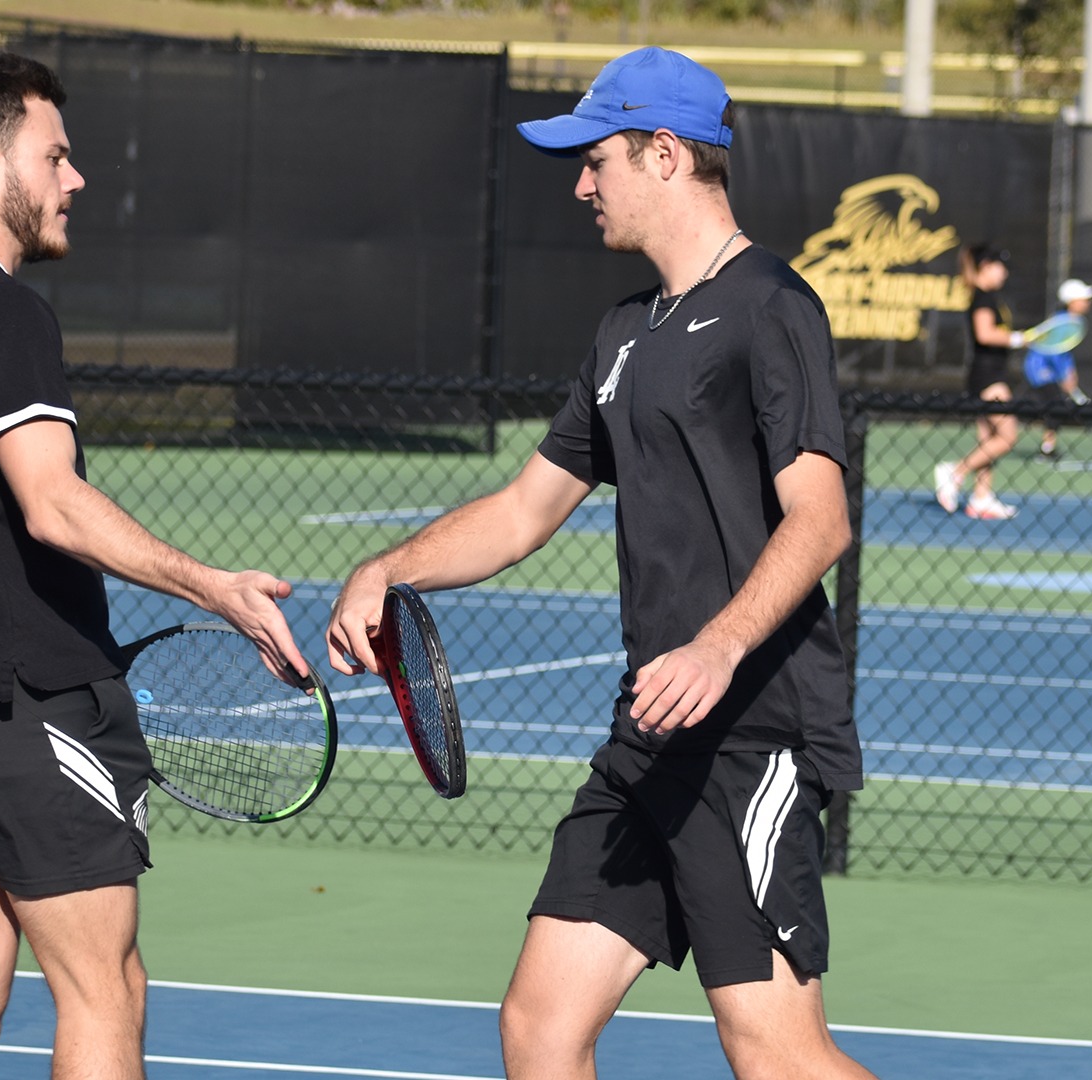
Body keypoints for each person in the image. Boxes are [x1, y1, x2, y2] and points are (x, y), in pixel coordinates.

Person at [326, 47, 874, 1080]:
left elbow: (821, 517)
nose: (581, 183)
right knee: (539, 1028)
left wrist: (717, 649)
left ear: (664, 155)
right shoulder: (627, 332)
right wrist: (388, 569)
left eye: (597, 159)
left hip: (749, 736)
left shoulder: (770, 307)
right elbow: (526, 509)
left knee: (776, 1053)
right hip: (648, 738)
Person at [0, 53, 311, 1079]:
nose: (74, 178)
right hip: (20, 704)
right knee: (106, 990)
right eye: (54, 155)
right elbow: (51, 503)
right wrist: (216, 588)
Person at [933, 242, 1024, 520]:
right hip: (989, 377)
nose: (1004, 273)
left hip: (983, 375)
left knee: (989, 438)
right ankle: (955, 470)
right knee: (1007, 437)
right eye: (1000, 266)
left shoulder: (985, 297)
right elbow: (984, 334)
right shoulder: (983, 298)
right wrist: (1018, 338)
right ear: (985, 267)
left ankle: (981, 497)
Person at [1024, 278, 1092, 462]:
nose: (1088, 302)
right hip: (1040, 372)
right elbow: (1053, 353)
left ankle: (1048, 447)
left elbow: (1064, 354)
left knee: (1054, 408)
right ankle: (1047, 449)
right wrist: (1064, 377)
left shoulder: (1071, 322)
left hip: (1050, 373)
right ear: (1072, 301)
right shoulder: (1062, 322)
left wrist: (1070, 374)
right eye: (1084, 299)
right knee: (1054, 407)